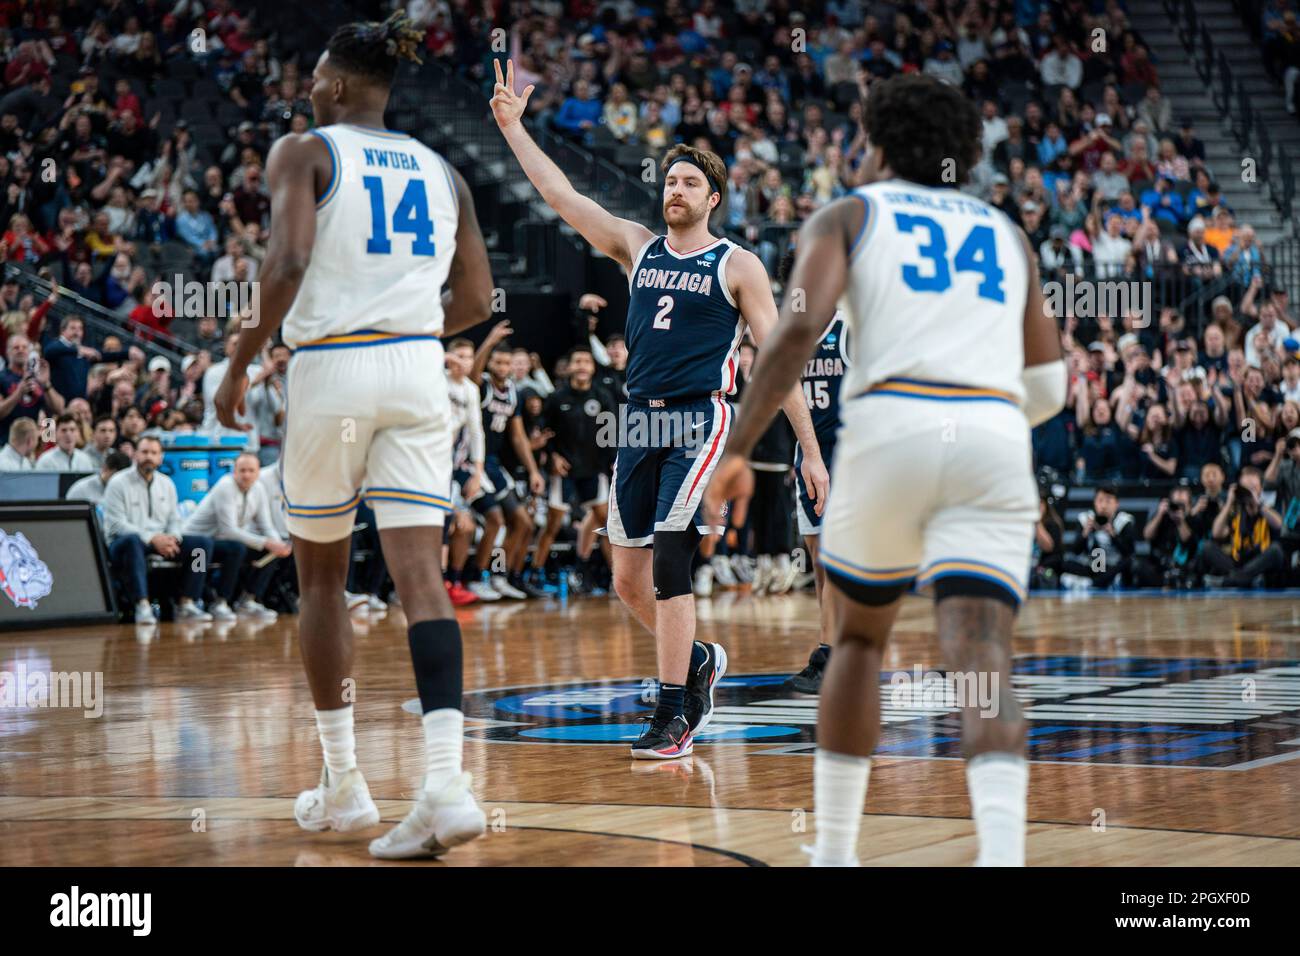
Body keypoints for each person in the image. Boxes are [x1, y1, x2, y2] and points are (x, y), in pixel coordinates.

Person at [704, 74, 1067, 867]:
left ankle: (835, 852)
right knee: (982, 659)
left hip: (891, 430)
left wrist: (735, 452)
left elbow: (793, 338)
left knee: (859, 643)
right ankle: (1001, 856)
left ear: (874, 143)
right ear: (962, 154)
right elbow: (1050, 387)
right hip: (994, 438)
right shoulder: (1008, 233)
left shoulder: (852, 215)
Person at [491, 59, 830, 760]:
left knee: (674, 559)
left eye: (688, 183)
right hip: (638, 420)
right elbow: (560, 194)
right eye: (670, 180)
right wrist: (511, 129)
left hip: (697, 419)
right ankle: (698, 658)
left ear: (713, 199)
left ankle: (673, 712)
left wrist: (810, 451)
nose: (674, 190)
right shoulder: (636, 247)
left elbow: (779, 361)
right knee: (625, 578)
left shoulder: (736, 266)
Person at [213, 12, 493, 860]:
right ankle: (445, 785)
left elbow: (288, 262)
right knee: (422, 579)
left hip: (332, 369)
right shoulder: (444, 169)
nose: (306, 88)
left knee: (323, 577)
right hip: (417, 367)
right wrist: (404, 325)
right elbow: (479, 300)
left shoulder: (303, 150)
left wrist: (238, 361)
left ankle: (344, 784)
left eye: (313, 79)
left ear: (334, 85)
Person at [786, 308, 850, 693]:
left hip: (847, 457)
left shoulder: (848, 328)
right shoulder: (792, 333)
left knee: (834, 558)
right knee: (818, 561)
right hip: (808, 458)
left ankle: (830, 654)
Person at [101, 434, 216, 625]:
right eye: (144, 452)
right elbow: (116, 524)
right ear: (135, 455)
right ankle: (142, 605)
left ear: (161, 457)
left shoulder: (167, 483)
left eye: (154, 453)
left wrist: (173, 538)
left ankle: (188, 602)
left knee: (201, 546)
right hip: (123, 543)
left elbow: (174, 520)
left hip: (160, 541)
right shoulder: (118, 483)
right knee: (132, 542)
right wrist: (152, 538)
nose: (149, 457)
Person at [182, 451, 291, 620]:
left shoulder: (258, 489)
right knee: (237, 549)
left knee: (272, 550)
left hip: (221, 542)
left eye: (251, 471)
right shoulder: (226, 487)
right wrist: (267, 542)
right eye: (242, 470)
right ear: (235, 471)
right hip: (197, 541)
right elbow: (229, 531)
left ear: (257, 472)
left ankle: (248, 600)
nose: (246, 475)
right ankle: (219, 602)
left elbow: (266, 525)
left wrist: (277, 544)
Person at [67, 449, 131, 505]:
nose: (117, 481)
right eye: (114, 476)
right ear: (105, 469)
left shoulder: (127, 490)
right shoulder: (80, 490)